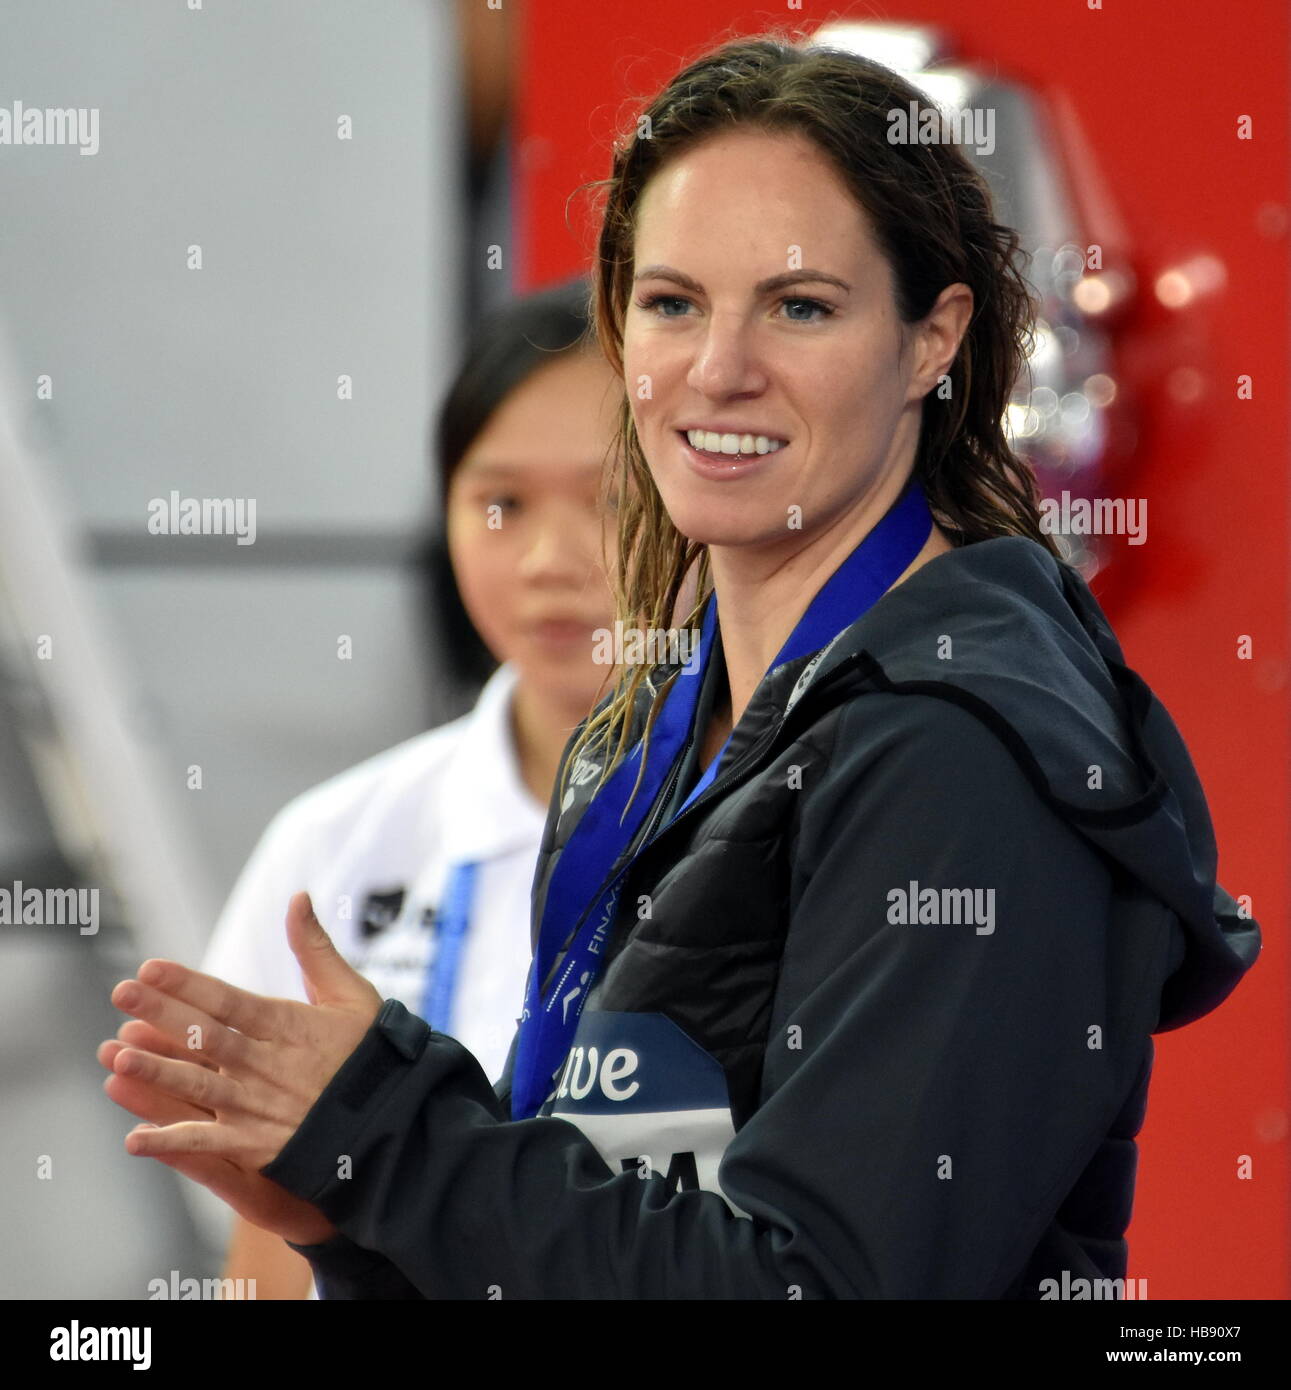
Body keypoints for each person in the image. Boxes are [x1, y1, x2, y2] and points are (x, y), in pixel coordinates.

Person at [100, 31, 1261, 1299]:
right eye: (672, 303)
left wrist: (393, 1139)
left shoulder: (954, 748)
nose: (718, 370)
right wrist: (355, 1219)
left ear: (933, 340)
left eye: (800, 305)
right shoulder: (645, 730)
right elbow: (625, 1231)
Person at [192, 279, 620, 1296]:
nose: (550, 561)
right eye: (501, 504)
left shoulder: (788, 811)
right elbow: (267, 1240)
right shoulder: (338, 841)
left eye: (612, 499)